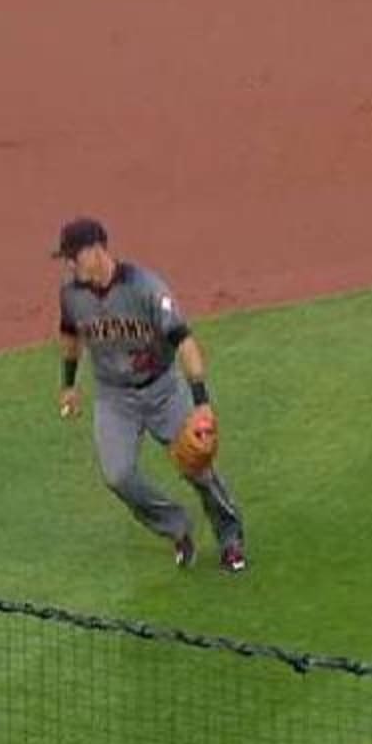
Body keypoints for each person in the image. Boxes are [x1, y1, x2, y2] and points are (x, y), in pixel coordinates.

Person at [54, 216, 247, 572]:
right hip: (114, 398)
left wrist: (201, 403)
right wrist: (68, 384)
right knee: (118, 476)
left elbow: (184, 341)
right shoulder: (72, 295)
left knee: (198, 466)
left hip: (163, 390)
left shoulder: (146, 287)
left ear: (95, 250)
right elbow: (69, 336)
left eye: (72, 256)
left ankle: (231, 538)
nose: (69, 264)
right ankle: (177, 527)